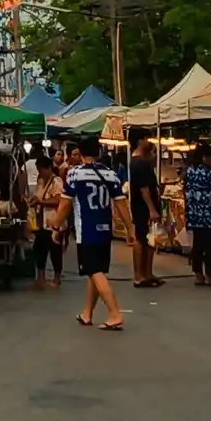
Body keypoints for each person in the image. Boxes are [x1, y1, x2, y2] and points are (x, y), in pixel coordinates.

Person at [51, 137, 136, 331]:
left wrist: (56, 227)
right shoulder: (111, 175)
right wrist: (130, 229)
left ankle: (114, 313)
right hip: (105, 229)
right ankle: (87, 313)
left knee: (94, 271)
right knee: (95, 271)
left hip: (86, 230)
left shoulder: (74, 175)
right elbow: (121, 204)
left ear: (80, 153)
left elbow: (65, 206)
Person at [127, 129, 163, 288]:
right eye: (147, 138)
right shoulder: (138, 163)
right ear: (140, 140)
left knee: (149, 239)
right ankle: (139, 275)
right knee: (141, 238)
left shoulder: (142, 161)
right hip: (142, 207)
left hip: (146, 206)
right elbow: (144, 188)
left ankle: (147, 273)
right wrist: (151, 209)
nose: (150, 141)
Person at [184, 143, 211, 286]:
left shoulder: (189, 171)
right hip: (208, 213)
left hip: (194, 213)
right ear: (205, 157)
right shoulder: (209, 172)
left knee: (198, 244)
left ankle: (198, 274)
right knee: (210, 245)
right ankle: (210, 275)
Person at [29, 154, 64, 289]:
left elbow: (59, 200)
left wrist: (41, 202)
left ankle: (56, 278)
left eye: (41, 170)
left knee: (55, 251)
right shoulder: (40, 182)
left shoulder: (57, 182)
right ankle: (41, 277)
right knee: (39, 249)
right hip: (41, 221)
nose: (40, 173)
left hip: (54, 221)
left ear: (48, 168)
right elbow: (38, 196)